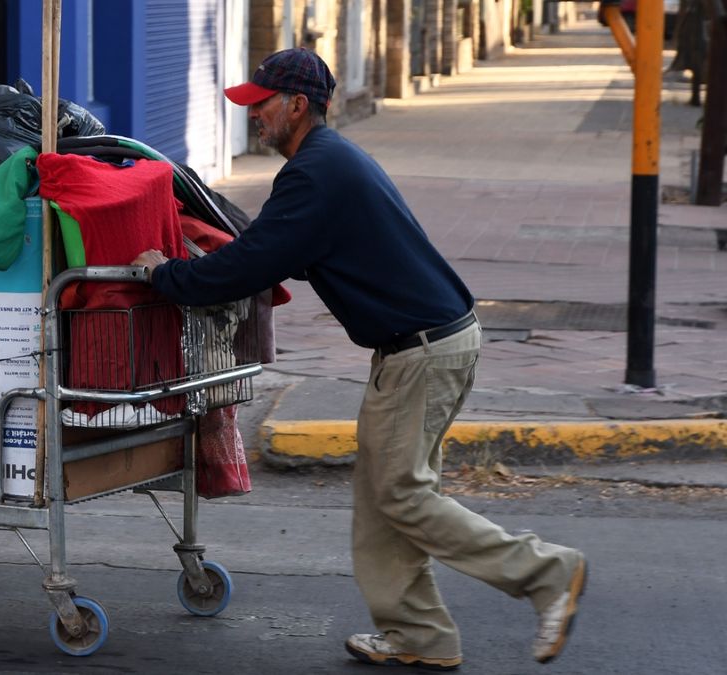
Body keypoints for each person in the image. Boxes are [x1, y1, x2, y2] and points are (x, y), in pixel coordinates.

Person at [132, 48, 587, 670]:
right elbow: (280, 247)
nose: (253, 116)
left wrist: (165, 274)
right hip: (424, 345)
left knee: (401, 494)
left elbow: (247, 266)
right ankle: (418, 634)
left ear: (297, 105)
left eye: (261, 105)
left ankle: (547, 573)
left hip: (422, 351)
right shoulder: (327, 161)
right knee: (383, 497)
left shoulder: (314, 173)